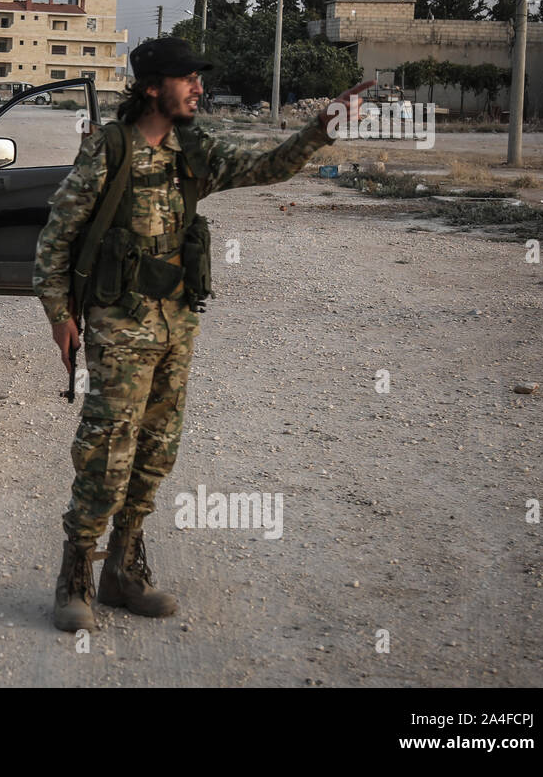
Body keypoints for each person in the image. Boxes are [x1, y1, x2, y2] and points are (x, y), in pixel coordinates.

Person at [33, 36, 372, 632]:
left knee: (157, 449)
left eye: (197, 78)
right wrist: (60, 315)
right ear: (151, 88)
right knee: (107, 451)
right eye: (186, 78)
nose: (198, 87)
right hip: (119, 323)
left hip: (177, 320)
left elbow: (266, 165)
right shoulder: (109, 150)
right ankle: (76, 574)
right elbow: (56, 236)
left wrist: (323, 128)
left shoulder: (196, 148)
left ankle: (124, 569)